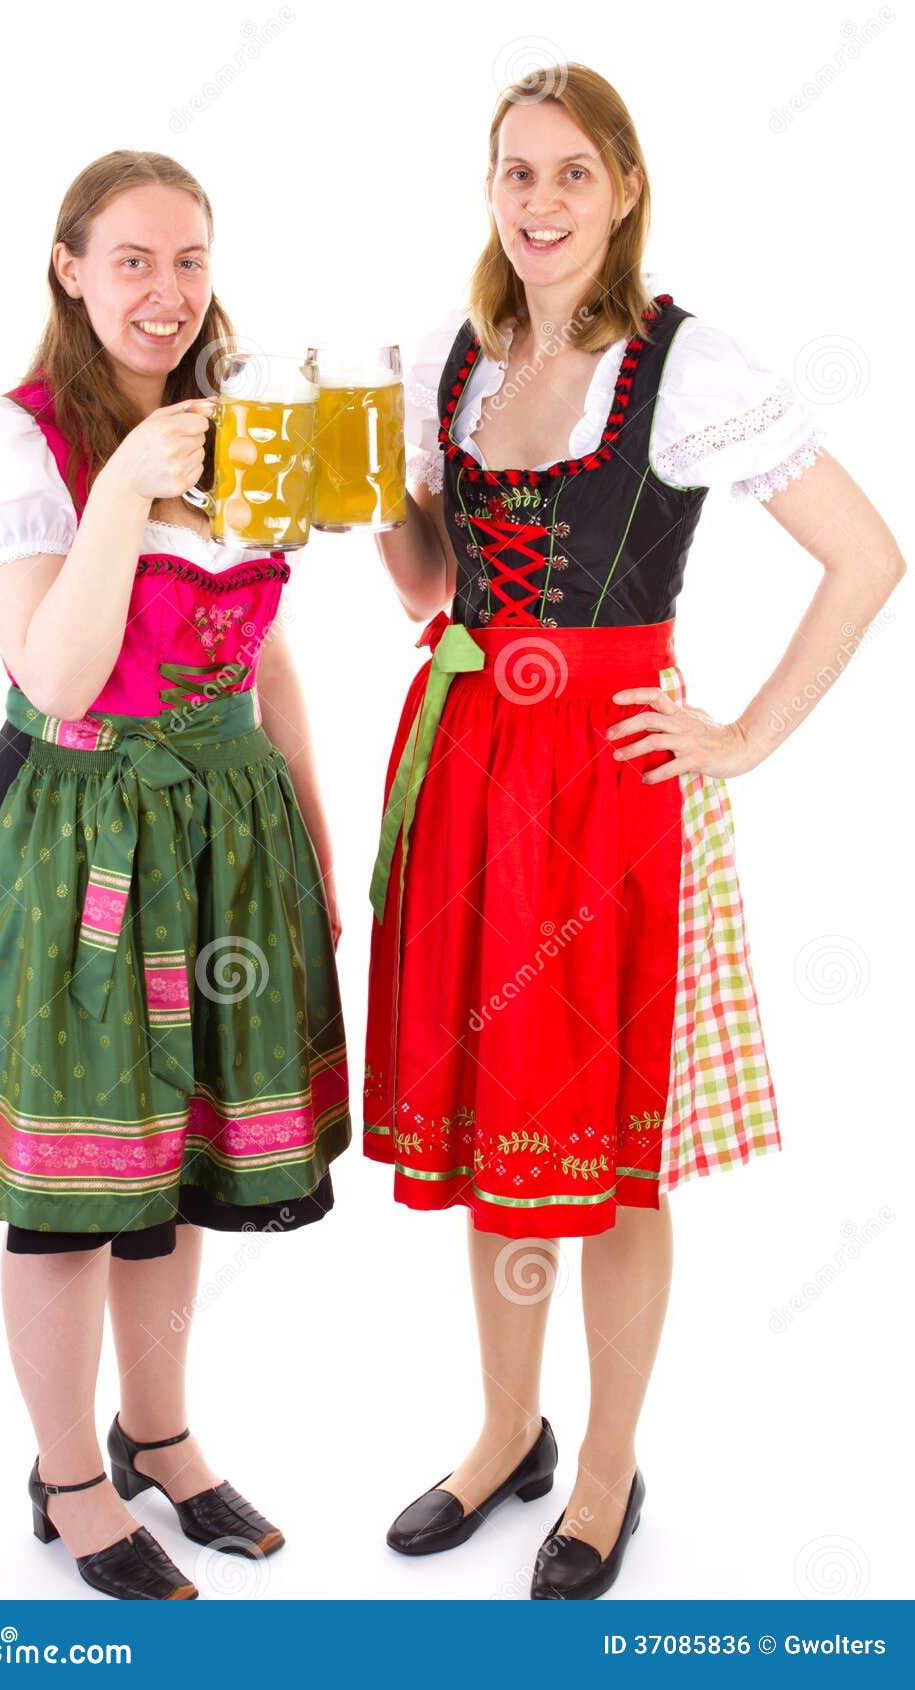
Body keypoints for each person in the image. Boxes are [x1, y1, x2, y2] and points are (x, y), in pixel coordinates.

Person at [364, 64, 905, 1600]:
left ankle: (605, 1468)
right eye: (514, 174)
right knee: (489, 1128)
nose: (538, 205)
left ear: (623, 188)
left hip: (609, 789)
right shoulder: (453, 358)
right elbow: (426, 591)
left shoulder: (689, 362)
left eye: (570, 176)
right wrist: (376, 499)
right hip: (469, 761)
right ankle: (503, 1432)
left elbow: (869, 557)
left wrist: (734, 737)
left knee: (617, 1155)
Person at [0, 150, 350, 1600]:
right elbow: (52, 672)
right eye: (130, 260)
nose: (165, 293)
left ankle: (159, 1433)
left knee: (174, 1172)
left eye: (188, 261)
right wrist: (120, 483)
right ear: (69, 266)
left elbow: (272, 647)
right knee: (71, 1179)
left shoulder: (244, 419)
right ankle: (66, 1478)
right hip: (77, 833)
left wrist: (313, 842)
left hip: (226, 832)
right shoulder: (13, 438)